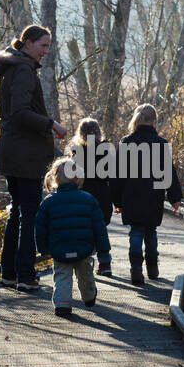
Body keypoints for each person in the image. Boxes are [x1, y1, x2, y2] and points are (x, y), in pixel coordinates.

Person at [0, 25, 67, 291]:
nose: (45, 52)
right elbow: (20, 112)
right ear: (27, 43)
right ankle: (25, 275)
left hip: (10, 151)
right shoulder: (24, 71)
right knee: (29, 214)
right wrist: (51, 124)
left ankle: (9, 272)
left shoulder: (9, 70)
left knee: (17, 212)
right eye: (43, 46)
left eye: (48, 46)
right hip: (24, 155)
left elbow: (1, 111)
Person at [112, 103, 182, 285]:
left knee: (135, 232)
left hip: (131, 197)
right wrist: (175, 198)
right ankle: (152, 267)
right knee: (150, 232)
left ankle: (136, 268)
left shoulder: (126, 143)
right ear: (154, 122)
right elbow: (169, 173)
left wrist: (116, 200)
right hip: (153, 197)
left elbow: (117, 176)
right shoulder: (161, 144)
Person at [34, 157, 111, 318]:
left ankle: (62, 305)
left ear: (55, 179)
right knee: (85, 274)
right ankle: (89, 296)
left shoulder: (48, 203)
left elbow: (40, 228)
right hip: (83, 248)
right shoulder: (88, 199)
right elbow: (99, 227)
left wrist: (43, 249)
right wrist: (103, 250)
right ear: (78, 178)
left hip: (59, 249)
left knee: (62, 277)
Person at [66, 117, 115, 276]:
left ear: (80, 133)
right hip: (102, 196)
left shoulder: (75, 152)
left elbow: (71, 176)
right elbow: (113, 176)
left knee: (84, 230)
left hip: (82, 196)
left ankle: (85, 260)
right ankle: (105, 261)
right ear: (99, 133)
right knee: (100, 230)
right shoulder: (106, 150)